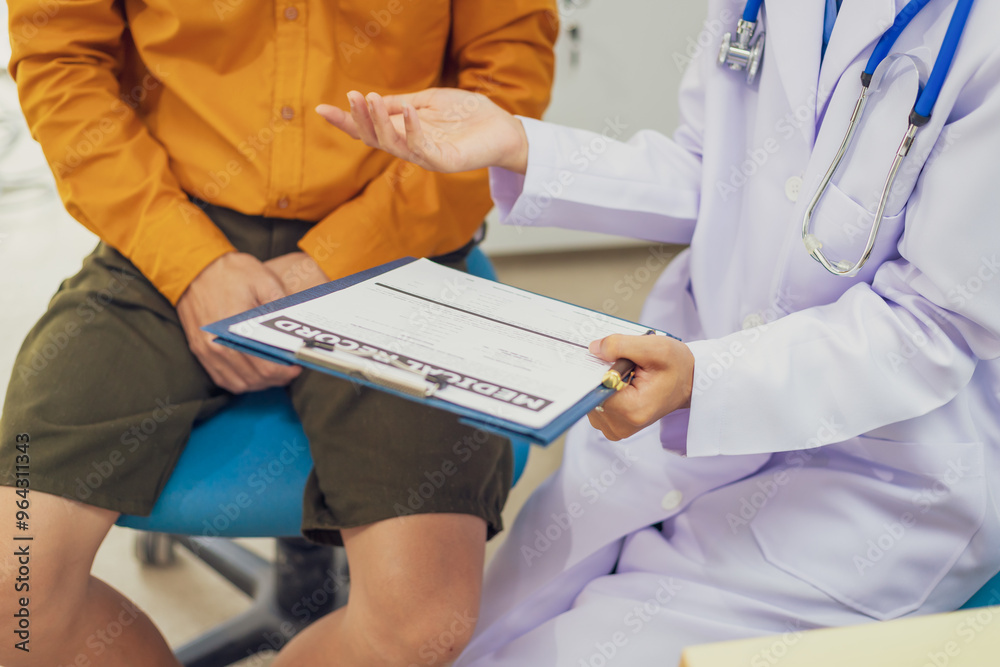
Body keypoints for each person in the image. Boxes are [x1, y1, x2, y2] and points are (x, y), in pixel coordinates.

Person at [320, 0, 1000, 663]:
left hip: (868, 477)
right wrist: (520, 143)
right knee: (473, 638)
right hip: (677, 419)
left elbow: (933, 327)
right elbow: (713, 176)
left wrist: (709, 382)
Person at [0, 1, 556, 665]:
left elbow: (506, 86)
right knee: (15, 588)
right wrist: (188, 258)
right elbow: (59, 54)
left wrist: (341, 255)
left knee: (422, 623)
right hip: (168, 221)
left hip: (399, 232)